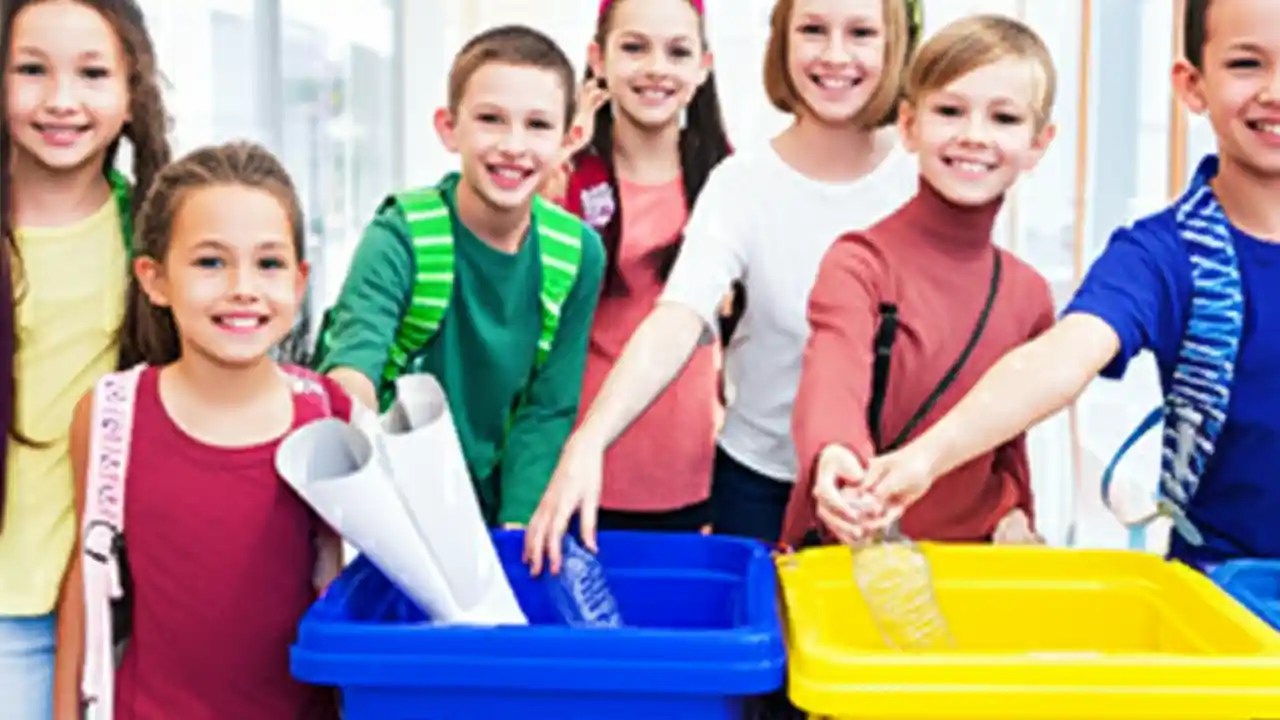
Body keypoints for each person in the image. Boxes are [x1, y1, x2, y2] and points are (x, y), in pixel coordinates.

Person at [856, 0, 1280, 573]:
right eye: (1247, 63)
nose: (1273, 91)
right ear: (1193, 84)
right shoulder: (1160, 257)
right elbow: (1061, 358)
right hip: (1231, 609)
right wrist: (923, 459)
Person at [526, 0, 924, 574]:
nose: (835, 55)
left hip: (895, 487)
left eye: (860, 32)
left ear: (892, 45)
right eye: (812, 30)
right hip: (760, 487)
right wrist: (589, 441)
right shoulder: (741, 184)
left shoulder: (922, 174)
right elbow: (679, 315)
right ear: (781, 42)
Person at [53, 142, 344, 719]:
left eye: (269, 263)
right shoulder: (113, 415)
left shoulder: (327, 414)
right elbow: (86, 590)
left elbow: (346, 590)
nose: (243, 287)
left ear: (299, 281)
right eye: (211, 262)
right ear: (154, 279)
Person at [781, 14, 1058, 549]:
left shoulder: (1029, 296)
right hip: (855, 556)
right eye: (950, 111)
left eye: (1003, 118)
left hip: (973, 575)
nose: (973, 136)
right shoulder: (859, 263)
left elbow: (1007, 443)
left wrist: (1016, 512)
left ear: (1038, 143)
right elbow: (832, 382)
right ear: (909, 126)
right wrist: (834, 453)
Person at [315, 25, 606, 529]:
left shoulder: (578, 254)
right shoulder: (401, 234)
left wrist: (516, 530)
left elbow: (547, 410)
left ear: (570, 138)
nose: (513, 145)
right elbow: (352, 367)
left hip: (495, 505)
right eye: (491, 119)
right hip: (391, 503)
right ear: (449, 128)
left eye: (538, 125)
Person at [0, 0, 170, 714]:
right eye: (31, 69)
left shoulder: (160, 238)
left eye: (93, 73)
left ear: (132, 93)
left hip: (97, 603)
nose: (61, 100)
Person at [552, 0, 732, 532]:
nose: (656, 68)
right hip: (575, 461)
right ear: (597, 59)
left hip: (691, 469)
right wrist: (551, 170)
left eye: (678, 51)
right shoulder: (565, 176)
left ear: (703, 66)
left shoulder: (726, 180)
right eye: (634, 47)